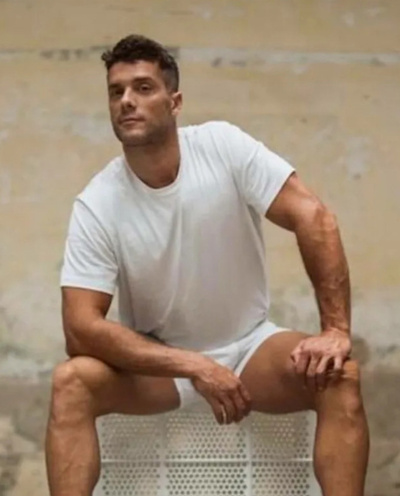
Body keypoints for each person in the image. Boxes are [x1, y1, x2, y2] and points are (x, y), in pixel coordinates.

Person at [45, 34, 369, 496]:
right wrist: (192, 364)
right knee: (71, 382)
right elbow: (80, 330)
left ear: (174, 102)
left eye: (143, 88)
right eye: (116, 92)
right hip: (162, 366)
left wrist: (335, 329)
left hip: (250, 347)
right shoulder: (98, 203)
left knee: (341, 377)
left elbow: (313, 217)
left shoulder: (222, 146)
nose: (127, 101)